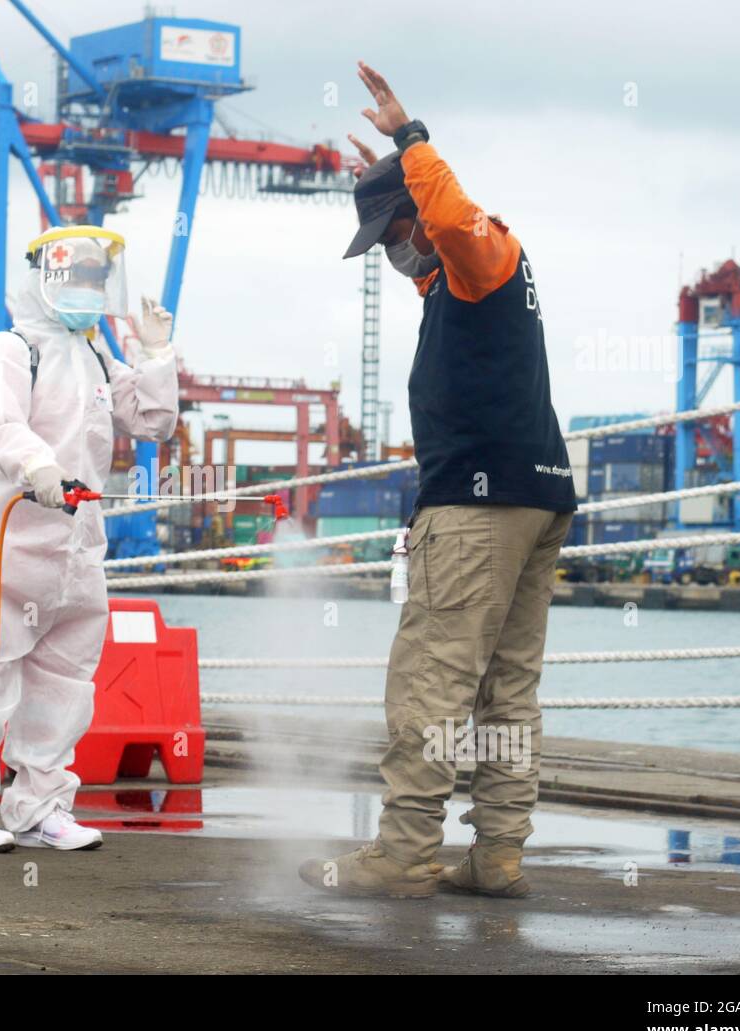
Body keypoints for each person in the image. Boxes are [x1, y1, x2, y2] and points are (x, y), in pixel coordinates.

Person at [300, 62, 576, 899]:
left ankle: (405, 850)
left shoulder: (479, 245)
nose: (388, 252)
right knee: (507, 692)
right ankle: (497, 853)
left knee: (431, 680)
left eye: (390, 235)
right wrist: (383, 180)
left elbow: (448, 217)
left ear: (419, 222)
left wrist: (407, 140)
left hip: (478, 505)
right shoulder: (472, 279)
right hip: (538, 496)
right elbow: (439, 243)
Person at [0, 225, 179, 853]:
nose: (89, 289)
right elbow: (0, 424)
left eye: (97, 278)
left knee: (64, 682)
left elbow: (153, 420)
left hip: (73, 544)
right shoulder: (10, 349)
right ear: (42, 279)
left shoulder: (93, 353)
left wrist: (156, 355)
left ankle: (41, 807)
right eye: (77, 277)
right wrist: (38, 467)